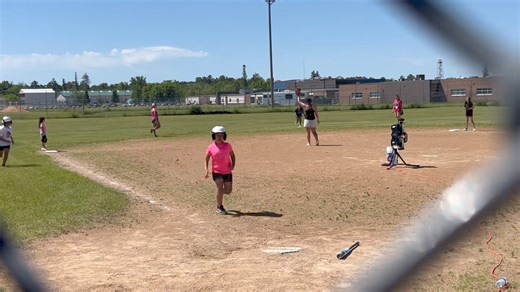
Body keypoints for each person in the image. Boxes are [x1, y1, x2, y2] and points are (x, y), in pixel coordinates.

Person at [205, 126, 236, 215]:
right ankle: (219, 207)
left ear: (224, 136)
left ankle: (219, 194)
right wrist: (206, 169)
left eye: (221, 135)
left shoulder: (228, 145)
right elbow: (206, 159)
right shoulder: (211, 147)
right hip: (216, 171)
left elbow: (232, 155)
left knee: (228, 191)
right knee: (219, 187)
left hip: (227, 171)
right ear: (213, 136)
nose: (219, 137)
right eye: (217, 135)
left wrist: (233, 165)